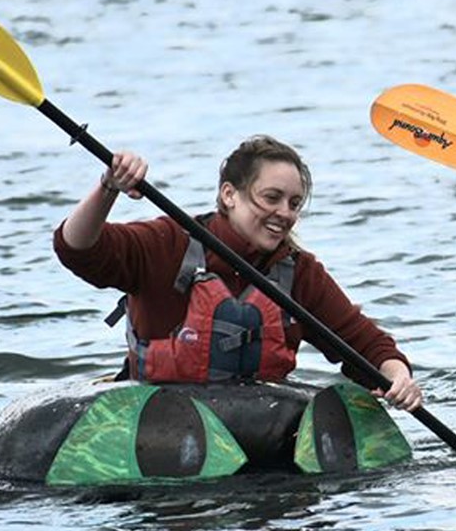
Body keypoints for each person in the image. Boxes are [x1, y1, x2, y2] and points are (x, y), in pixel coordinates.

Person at [53, 134, 423, 411]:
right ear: (230, 195)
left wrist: (398, 377)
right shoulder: (167, 244)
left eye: (294, 203)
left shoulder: (299, 272)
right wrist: (108, 188)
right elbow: (76, 248)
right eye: (271, 197)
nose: (285, 213)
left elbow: (367, 345)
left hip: (257, 430)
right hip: (161, 423)